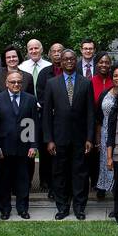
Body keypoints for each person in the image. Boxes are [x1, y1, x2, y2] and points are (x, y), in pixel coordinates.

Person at [42, 49, 95, 220]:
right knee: (60, 174)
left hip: (80, 138)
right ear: (61, 62)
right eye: (66, 59)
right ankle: (62, 207)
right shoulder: (52, 83)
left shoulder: (86, 83)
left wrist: (89, 138)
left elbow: (90, 114)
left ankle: (79, 208)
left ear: (76, 60)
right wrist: (48, 139)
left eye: (72, 59)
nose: (69, 61)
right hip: (59, 138)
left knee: (80, 174)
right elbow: (46, 114)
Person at [0, 69, 39, 220]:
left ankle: (23, 209)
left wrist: (34, 145)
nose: (16, 84)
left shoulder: (30, 99)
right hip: (4, 147)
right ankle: (5, 209)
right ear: (6, 83)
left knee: (23, 180)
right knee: (4, 180)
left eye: (19, 82)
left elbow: (34, 123)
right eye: (13, 82)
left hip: (24, 146)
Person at [96, 65, 118, 206]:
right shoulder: (105, 93)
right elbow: (99, 118)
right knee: (110, 168)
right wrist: (98, 139)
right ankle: (117, 202)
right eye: (115, 75)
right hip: (106, 138)